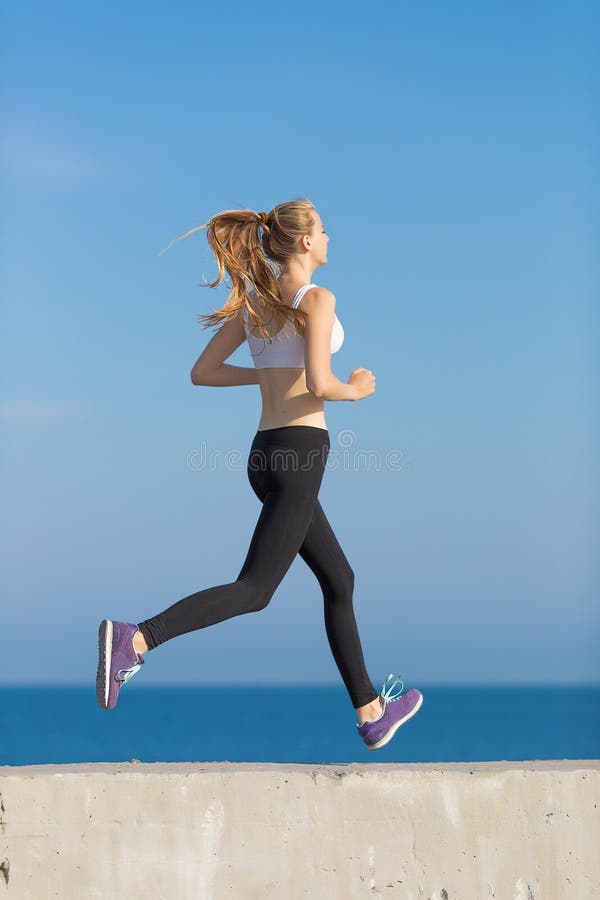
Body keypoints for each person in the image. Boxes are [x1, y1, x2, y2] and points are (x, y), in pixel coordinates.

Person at [96, 198, 423, 749]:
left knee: (339, 580)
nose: (328, 236)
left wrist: (268, 380)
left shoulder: (256, 302)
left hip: (264, 454)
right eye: (322, 229)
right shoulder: (318, 299)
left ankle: (371, 711)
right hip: (300, 454)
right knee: (254, 590)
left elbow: (203, 373)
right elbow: (320, 384)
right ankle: (136, 639)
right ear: (304, 242)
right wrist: (356, 389)